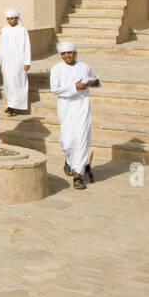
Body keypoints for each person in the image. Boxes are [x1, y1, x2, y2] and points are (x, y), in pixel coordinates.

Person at [50, 41, 99, 189]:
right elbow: (55, 89)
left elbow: (96, 81)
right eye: (64, 54)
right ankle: (69, 160)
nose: (67, 56)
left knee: (82, 139)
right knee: (67, 141)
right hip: (66, 107)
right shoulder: (57, 69)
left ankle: (78, 174)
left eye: (69, 53)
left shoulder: (84, 67)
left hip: (82, 106)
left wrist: (90, 83)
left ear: (75, 53)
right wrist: (74, 87)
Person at [0, 8, 32, 115]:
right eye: (8, 19)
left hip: (18, 61)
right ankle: (11, 105)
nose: (10, 21)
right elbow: (0, 46)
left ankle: (16, 105)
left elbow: (27, 47)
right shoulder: (4, 30)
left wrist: (27, 62)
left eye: (12, 19)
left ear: (17, 18)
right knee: (8, 83)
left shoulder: (22, 30)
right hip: (6, 61)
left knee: (17, 82)